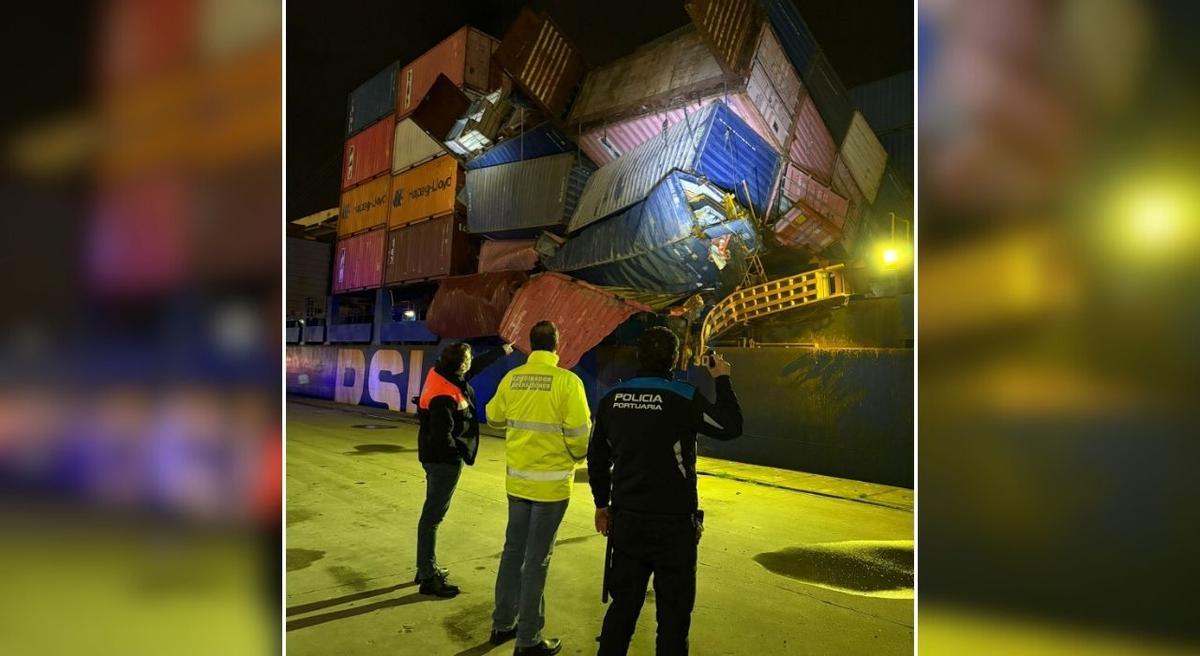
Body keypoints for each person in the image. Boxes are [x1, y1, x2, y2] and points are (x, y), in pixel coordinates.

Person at [588, 327, 743, 655]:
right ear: (674, 359)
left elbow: (597, 457)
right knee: (673, 617)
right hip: (674, 527)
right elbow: (730, 427)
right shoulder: (683, 396)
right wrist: (722, 378)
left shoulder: (612, 398)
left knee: (622, 610)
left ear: (639, 356)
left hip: (627, 521)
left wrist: (602, 505)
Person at [485, 321, 591, 656]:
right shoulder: (568, 382)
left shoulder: (512, 378)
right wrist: (574, 457)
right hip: (551, 489)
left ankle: (503, 624)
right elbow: (580, 438)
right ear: (557, 345)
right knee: (536, 561)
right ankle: (528, 639)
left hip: (517, 483)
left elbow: (492, 418)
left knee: (512, 551)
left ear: (531, 345)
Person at [415, 341, 512, 597]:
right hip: (442, 463)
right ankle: (427, 577)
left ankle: (425, 566)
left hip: (435, 459)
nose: (472, 360)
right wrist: (455, 456)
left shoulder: (446, 375)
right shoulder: (445, 394)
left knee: (431, 516)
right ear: (461, 363)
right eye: (469, 358)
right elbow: (441, 435)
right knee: (432, 518)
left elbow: (476, 367)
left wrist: (501, 350)